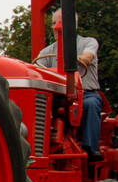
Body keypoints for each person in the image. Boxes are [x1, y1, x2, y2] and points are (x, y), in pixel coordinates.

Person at [35, 10, 103, 158]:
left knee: (91, 104)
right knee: (37, 107)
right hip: (58, 97)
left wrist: (75, 59)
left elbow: (87, 57)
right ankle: (35, 149)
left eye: (58, 23)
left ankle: (90, 149)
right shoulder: (48, 51)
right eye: (53, 23)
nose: (54, 27)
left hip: (84, 94)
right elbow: (36, 69)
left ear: (72, 25)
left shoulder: (88, 43)